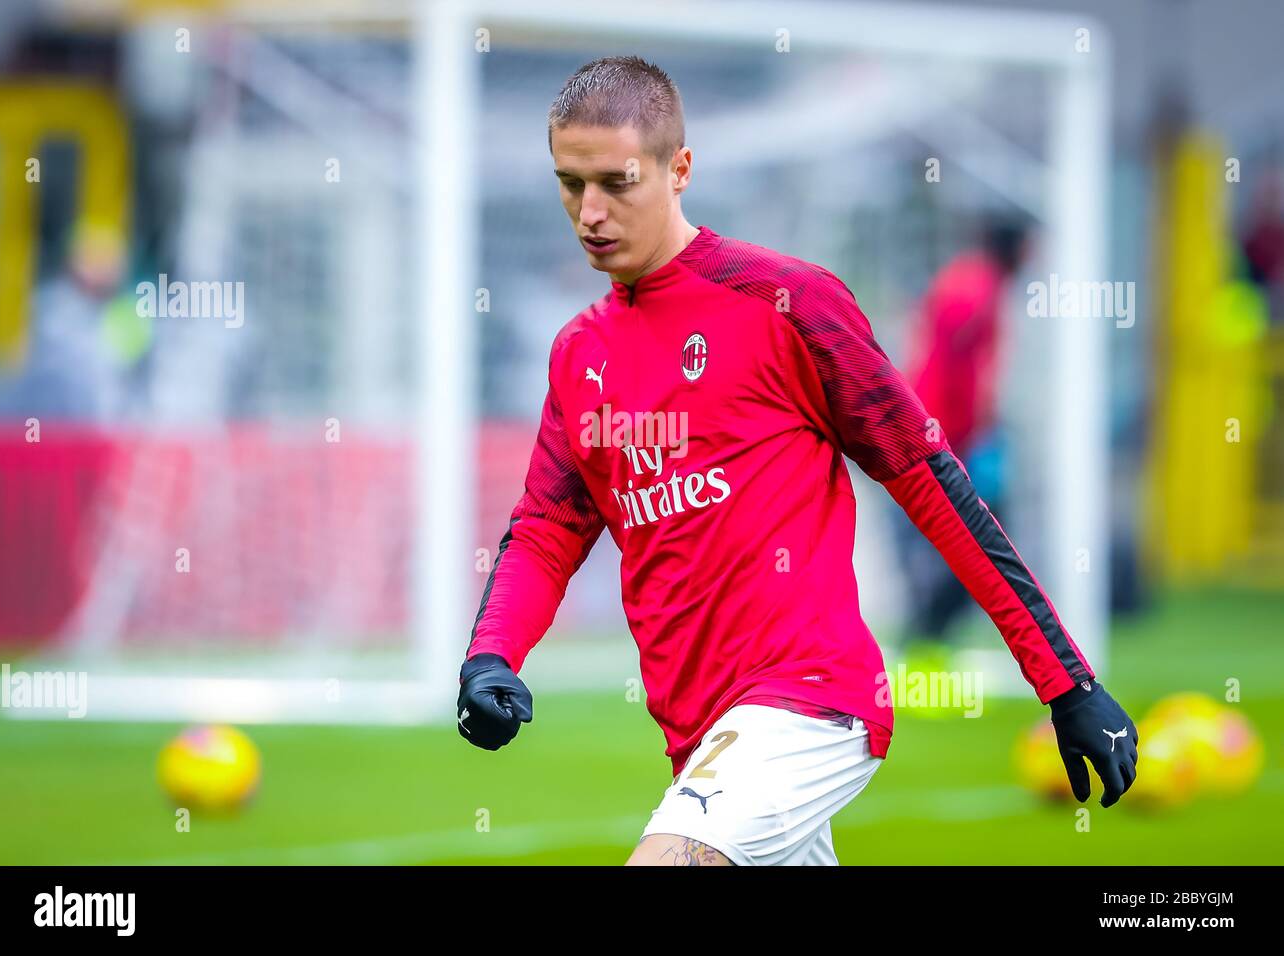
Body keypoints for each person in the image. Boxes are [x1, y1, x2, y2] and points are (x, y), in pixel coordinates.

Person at [457, 57, 1138, 866]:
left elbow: (932, 485)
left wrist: (1066, 681)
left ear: (679, 169)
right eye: (571, 185)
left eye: (616, 181)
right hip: (701, 735)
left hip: (811, 703)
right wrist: (491, 654)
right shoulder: (579, 354)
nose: (590, 212)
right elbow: (546, 529)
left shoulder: (788, 303)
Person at [893, 217, 1028, 646]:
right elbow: (954, 364)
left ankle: (930, 622)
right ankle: (930, 621)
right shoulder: (976, 289)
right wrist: (961, 431)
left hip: (940, 428)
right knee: (983, 532)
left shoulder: (970, 281)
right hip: (941, 433)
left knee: (972, 532)